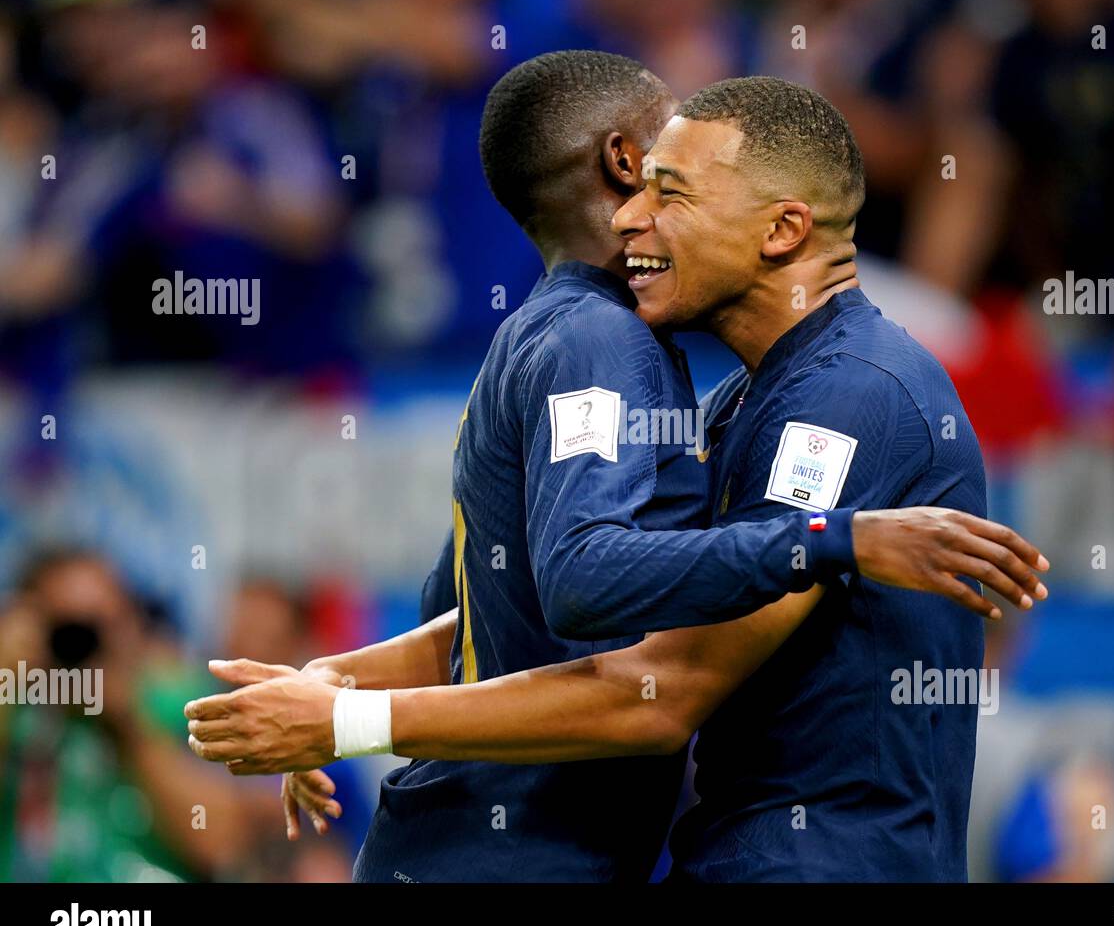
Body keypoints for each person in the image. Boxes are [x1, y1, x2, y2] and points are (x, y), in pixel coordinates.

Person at [189, 60, 1049, 882]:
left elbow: (662, 687)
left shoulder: (851, 396)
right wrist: (334, 684)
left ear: (782, 229)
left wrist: (344, 718)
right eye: (640, 186)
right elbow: (540, 622)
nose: (633, 219)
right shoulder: (719, 396)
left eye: (668, 195)